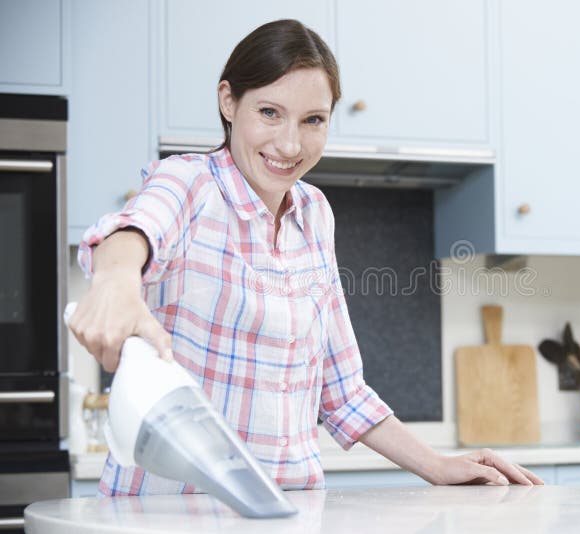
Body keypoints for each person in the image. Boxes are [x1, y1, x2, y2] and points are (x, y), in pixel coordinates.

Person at [68, 19, 543, 494]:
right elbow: (132, 231)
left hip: (287, 507)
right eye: (269, 112)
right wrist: (115, 282)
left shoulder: (315, 213)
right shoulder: (190, 182)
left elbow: (343, 390)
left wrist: (438, 466)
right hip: (170, 513)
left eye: (313, 120)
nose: (290, 144)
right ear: (228, 101)